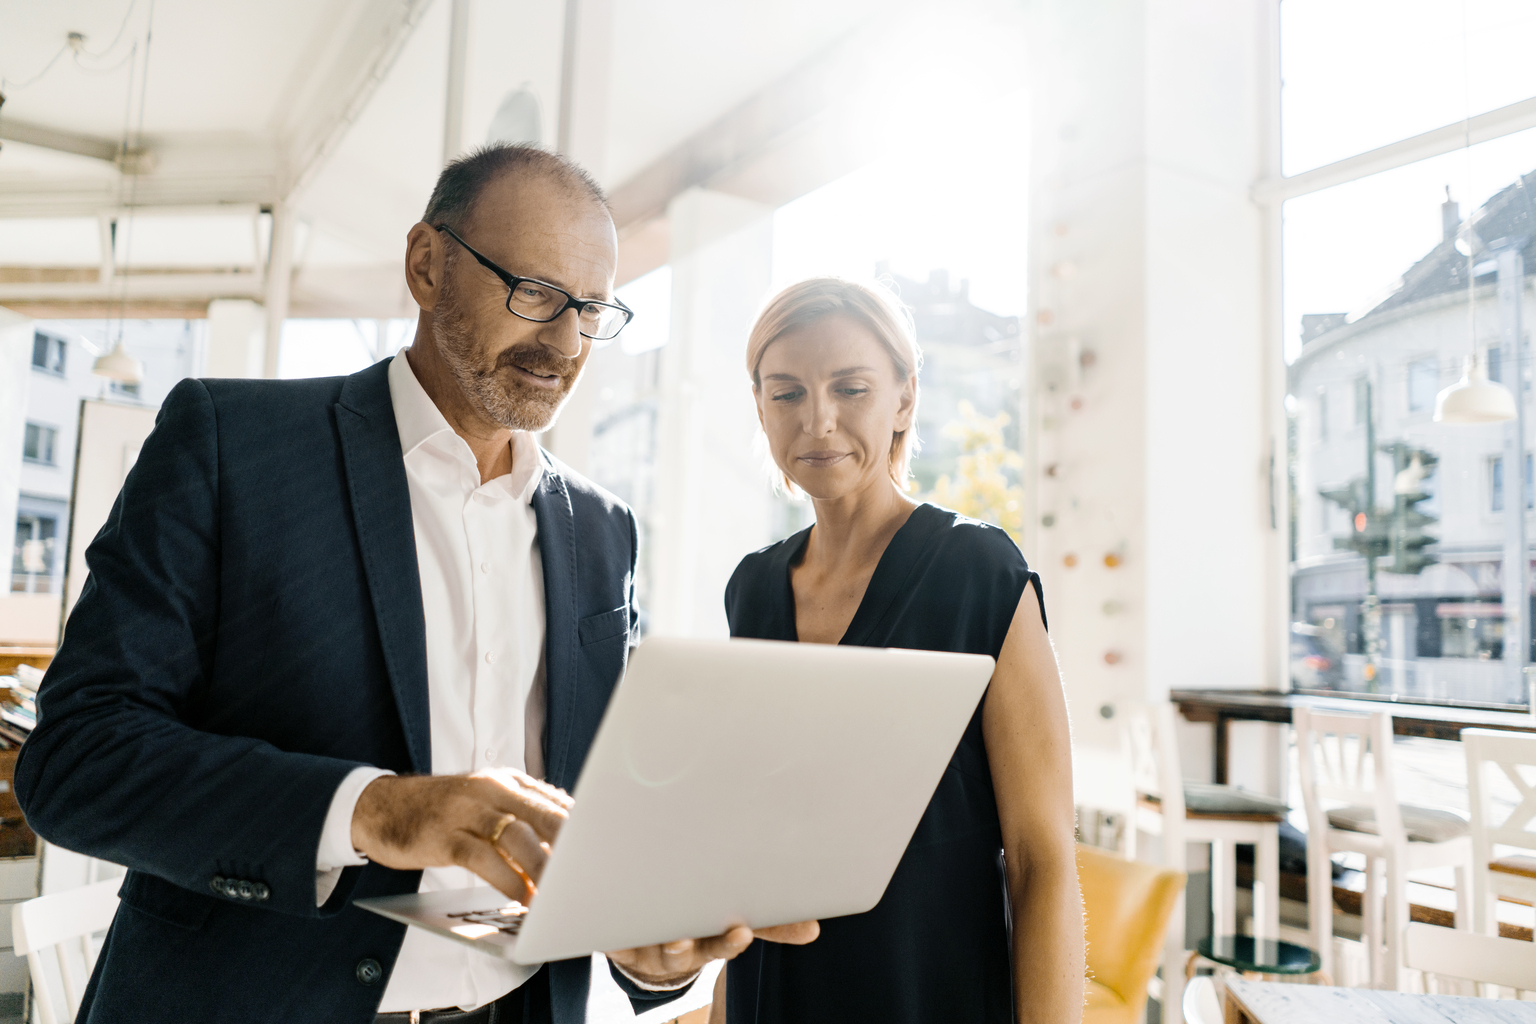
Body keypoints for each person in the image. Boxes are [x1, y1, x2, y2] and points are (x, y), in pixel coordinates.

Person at [15, 144, 810, 1024]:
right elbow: (75, 762)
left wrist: (651, 949)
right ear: (426, 266)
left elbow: (591, 806)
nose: (562, 343)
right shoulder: (229, 443)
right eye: (535, 292)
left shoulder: (602, 531)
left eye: (589, 310)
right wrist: (377, 812)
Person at [716, 278, 1084, 1024]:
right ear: (760, 406)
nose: (818, 421)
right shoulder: (752, 589)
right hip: (771, 992)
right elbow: (750, 848)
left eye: (849, 388)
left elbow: (1042, 860)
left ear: (904, 400)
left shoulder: (978, 572)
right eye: (786, 394)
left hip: (923, 993)